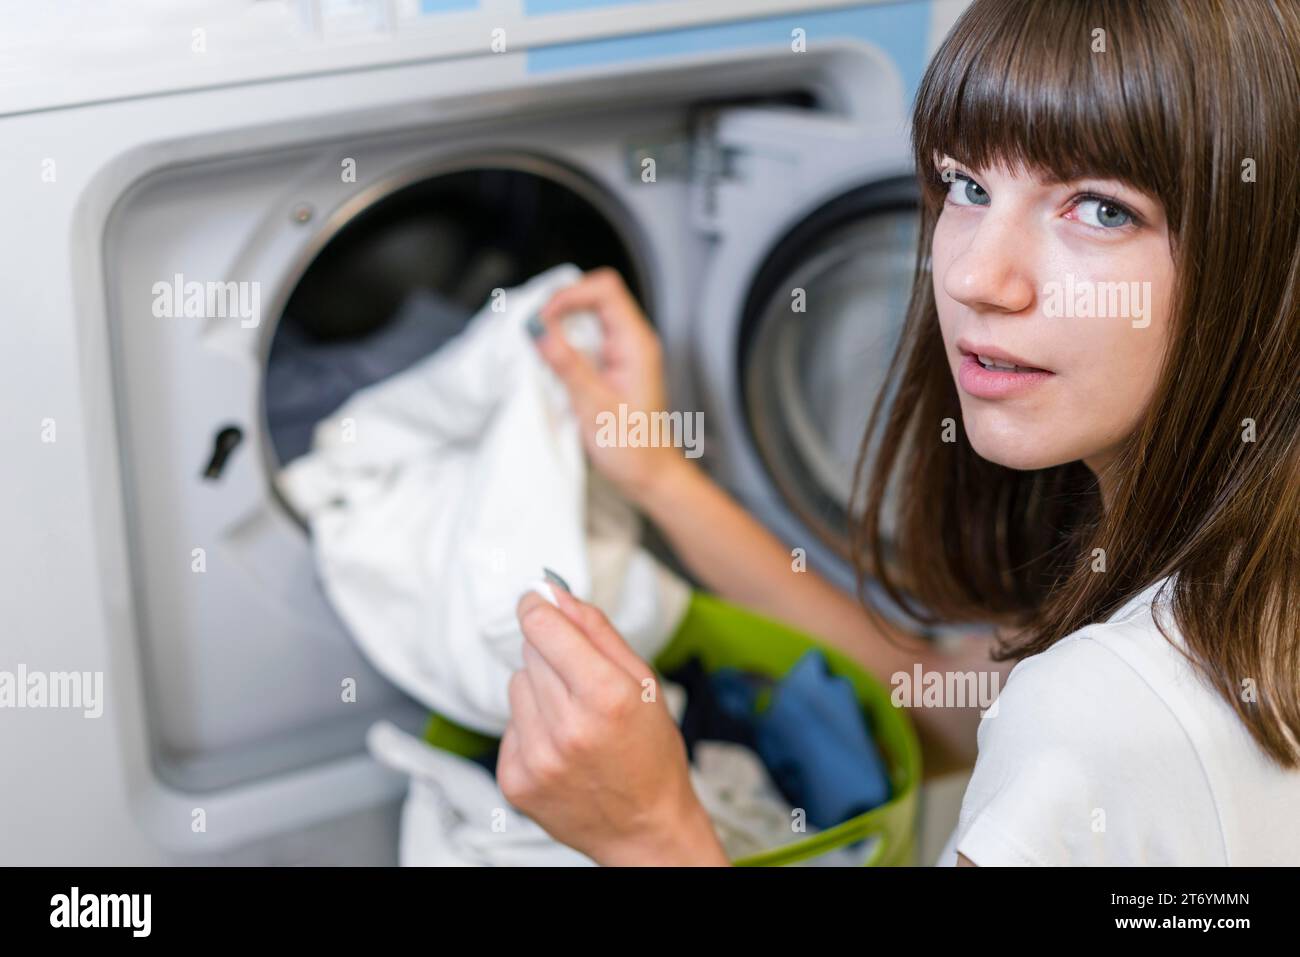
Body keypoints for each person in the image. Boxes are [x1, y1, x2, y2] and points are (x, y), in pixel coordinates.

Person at [495, 0, 1300, 866]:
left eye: (1100, 209)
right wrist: (657, 476)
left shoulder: (1106, 709)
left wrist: (651, 834)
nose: (974, 275)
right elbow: (955, 703)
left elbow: (1078, 721)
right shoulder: (1226, 608)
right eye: (967, 185)